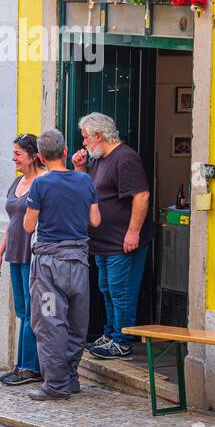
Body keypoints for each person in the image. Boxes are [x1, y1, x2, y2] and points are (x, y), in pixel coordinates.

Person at [23, 129, 100, 401]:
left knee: (50, 323)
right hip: (78, 262)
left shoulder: (40, 184)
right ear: (65, 152)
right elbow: (95, 220)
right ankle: (71, 378)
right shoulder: (85, 180)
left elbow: (28, 225)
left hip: (49, 266)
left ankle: (56, 385)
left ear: (40, 157)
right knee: (77, 323)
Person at [72, 112, 153, 359]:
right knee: (107, 289)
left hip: (122, 242)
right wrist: (79, 168)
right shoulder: (99, 159)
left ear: (99, 135)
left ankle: (122, 341)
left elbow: (142, 196)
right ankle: (110, 334)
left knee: (121, 292)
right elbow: (88, 191)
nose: (84, 142)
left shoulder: (125, 158)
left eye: (86, 137)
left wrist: (133, 232)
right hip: (103, 242)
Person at [0, 134, 44, 387]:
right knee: (22, 311)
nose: (13, 158)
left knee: (32, 311)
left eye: (18, 154)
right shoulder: (17, 182)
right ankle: (22, 364)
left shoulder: (42, 181)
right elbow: (11, 222)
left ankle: (30, 367)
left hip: (32, 254)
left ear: (33, 156)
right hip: (15, 253)